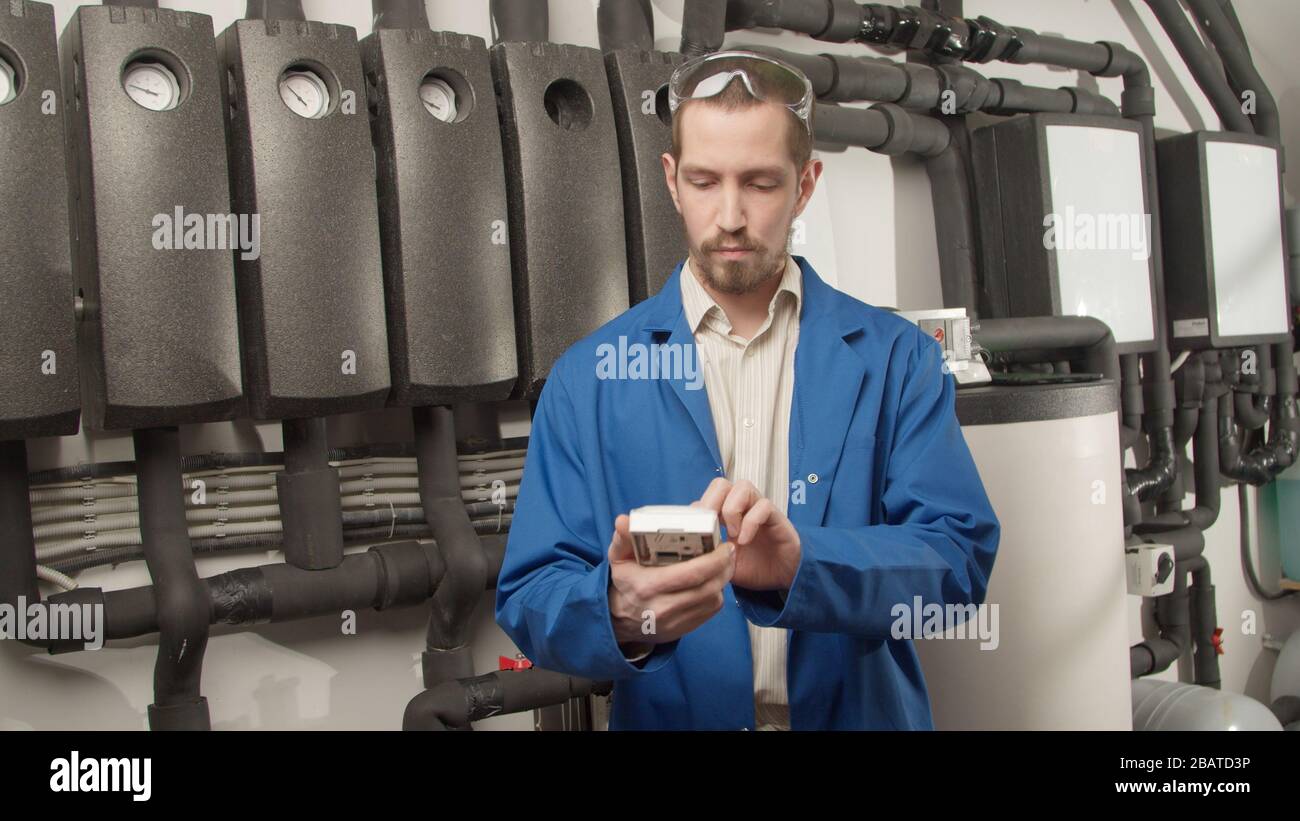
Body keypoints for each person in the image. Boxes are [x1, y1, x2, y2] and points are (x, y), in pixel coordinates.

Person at [495, 49, 1000, 730]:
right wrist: (618, 607)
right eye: (705, 181)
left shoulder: (899, 361)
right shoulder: (589, 379)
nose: (729, 217)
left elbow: (957, 562)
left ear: (806, 184)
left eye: (760, 184)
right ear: (672, 181)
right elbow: (530, 594)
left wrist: (803, 567)